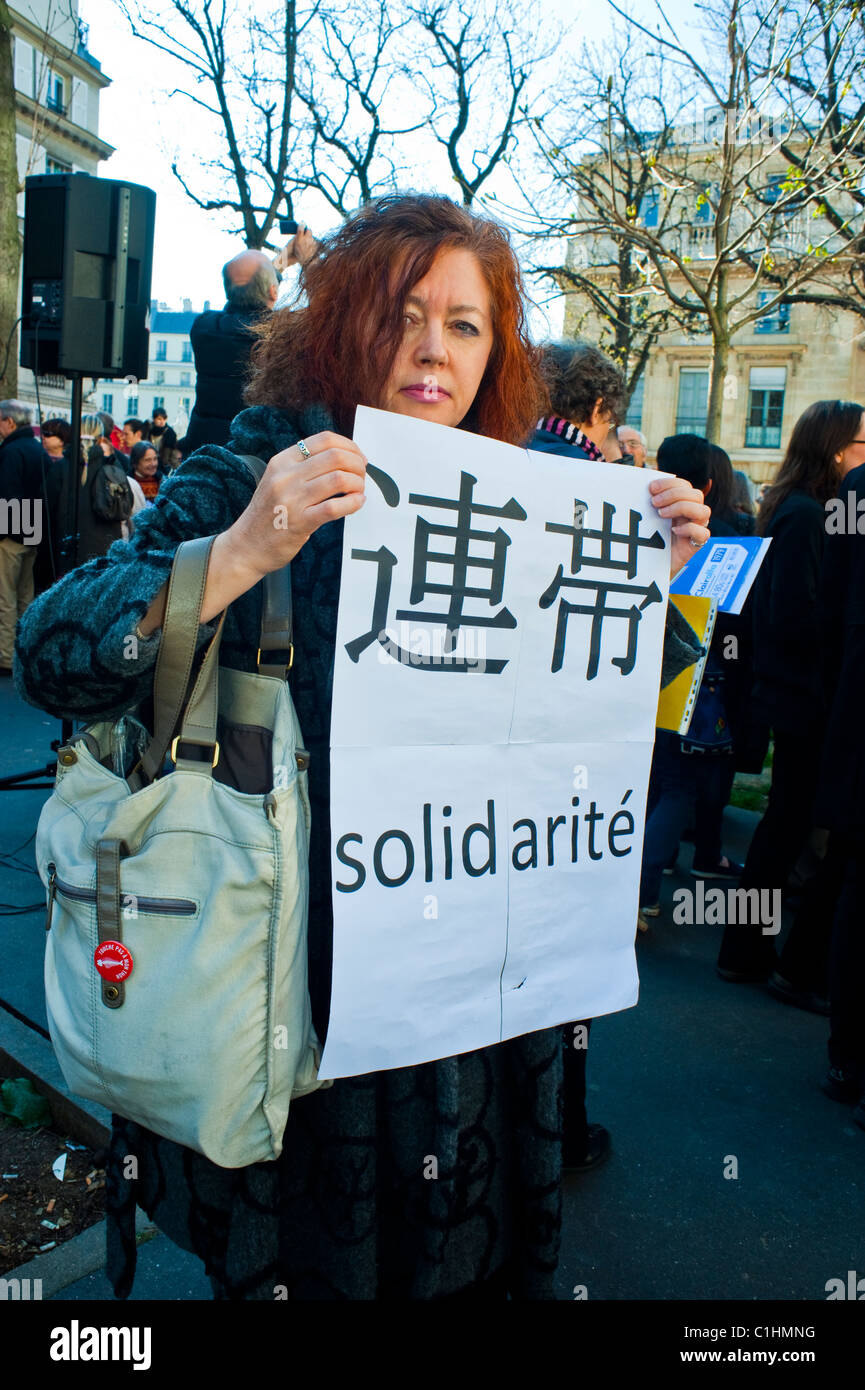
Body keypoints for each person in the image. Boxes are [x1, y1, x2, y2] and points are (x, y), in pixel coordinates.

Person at [14, 194, 709, 1301]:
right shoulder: (260, 460)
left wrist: (645, 578)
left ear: (498, 350)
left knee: (466, 1257)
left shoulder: (538, 491)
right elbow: (53, 649)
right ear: (341, 322)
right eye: (403, 312)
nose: (434, 347)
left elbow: (608, 730)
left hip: (477, 1003)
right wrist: (243, 548)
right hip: (298, 979)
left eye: (467, 323)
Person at [717, 400, 865, 984]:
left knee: (784, 826)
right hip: (800, 696)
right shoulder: (807, 515)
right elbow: (793, 615)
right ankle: (745, 949)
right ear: (836, 449)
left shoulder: (797, 507)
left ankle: (744, 949)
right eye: (861, 444)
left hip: (789, 692)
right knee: (785, 829)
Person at [181, 246, 301, 456]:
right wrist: (306, 255)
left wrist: (284, 258)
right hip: (257, 456)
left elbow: (250, 284)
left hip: (205, 452)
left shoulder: (204, 328)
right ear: (274, 290)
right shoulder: (283, 333)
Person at [0, 400, 43, 675]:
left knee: (6, 598)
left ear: (10, 422)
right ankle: (25, 652)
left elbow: (7, 496)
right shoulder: (37, 450)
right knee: (26, 596)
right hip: (33, 530)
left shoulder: (11, 452)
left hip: (12, 535)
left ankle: (5, 657)